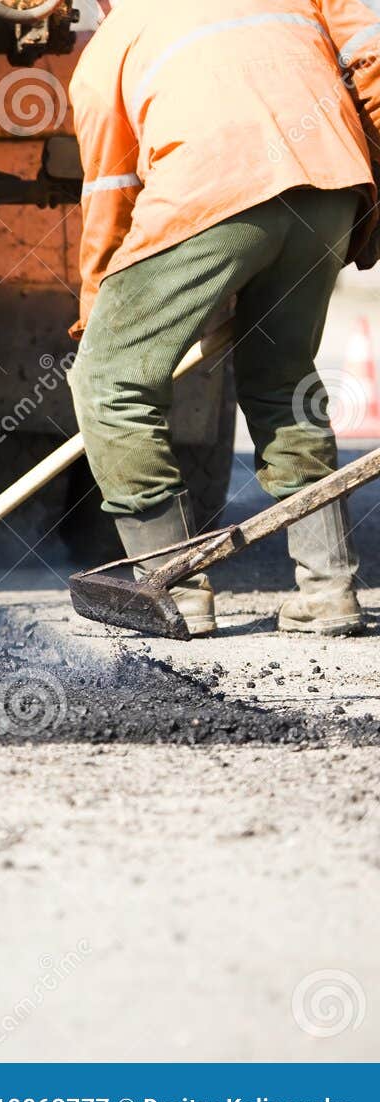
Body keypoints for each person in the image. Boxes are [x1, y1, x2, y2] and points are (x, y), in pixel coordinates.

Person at [69, 0, 380, 636]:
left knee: (110, 383)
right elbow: (372, 68)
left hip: (213, 190)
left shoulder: (111, 48)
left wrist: (98, 311)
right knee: (281, 376)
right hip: (329, 190)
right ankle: (328, 590)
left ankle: (174, 586)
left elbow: (109, 196)